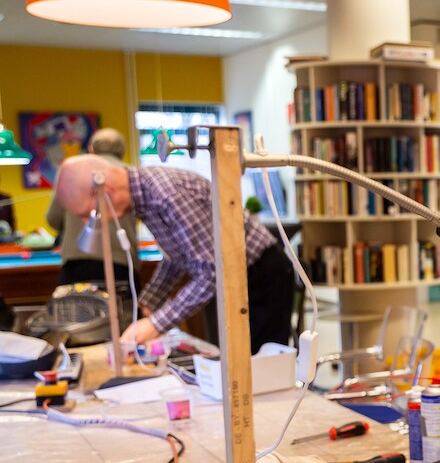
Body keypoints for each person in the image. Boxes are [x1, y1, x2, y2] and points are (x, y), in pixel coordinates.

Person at [52, 154, 293, 353]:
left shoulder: (167, 195)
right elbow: (179, 256)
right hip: (238, 274)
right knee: (238, 363)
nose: (88, 221)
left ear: (107, 192)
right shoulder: (145, 199)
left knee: (263, 366)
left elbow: (210, 272)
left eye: (88, 213)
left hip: (262, 275)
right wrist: (148, 305)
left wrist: (156, 324)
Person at [46, 128, 142, 287]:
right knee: (124, 311)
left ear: (91, 149)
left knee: (75, 311)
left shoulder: (72, 174)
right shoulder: (131, 175)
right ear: (122, 151)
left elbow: (53, 219)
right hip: (122, 262)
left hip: (77, 263)